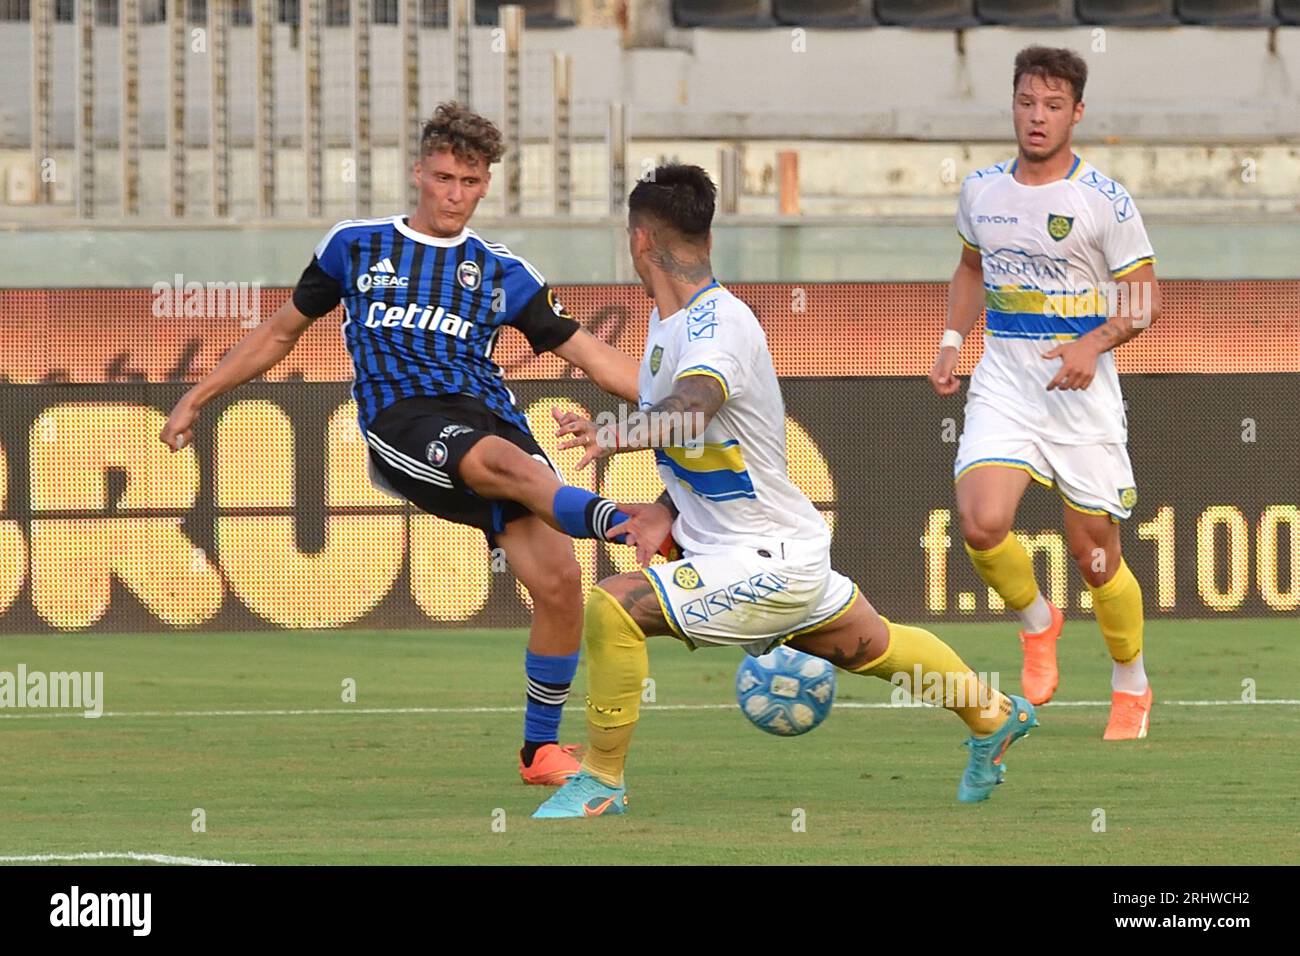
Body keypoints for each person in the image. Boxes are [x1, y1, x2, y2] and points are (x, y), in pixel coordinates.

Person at [533, 164, 1038, 819]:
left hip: (763, 560)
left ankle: (600, 782)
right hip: (773, 547)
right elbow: (709, 440)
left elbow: (692, 411)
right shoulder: (670, 327)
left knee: (613, 607)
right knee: (873, 646)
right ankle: (993, 715)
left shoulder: (718, 326)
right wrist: (666, 509)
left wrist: (613, 434)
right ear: (706, 239)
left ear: (637, 243)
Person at [160, 103, 641, 785]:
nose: (454, 195)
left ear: (485, 184)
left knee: (562, 584)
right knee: (503, 464)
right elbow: (279, 334)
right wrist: (196, 398)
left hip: (490, 414)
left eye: (469, 183)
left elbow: (594, 356)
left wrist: (681, 404)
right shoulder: (354, 246)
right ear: (418, 171)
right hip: (403, 420)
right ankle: (623, 523)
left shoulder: (504, 272)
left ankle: (539, 752)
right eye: (443, 177)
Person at [930, 47, 1161, 739]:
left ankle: (1131, 681)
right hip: (1006, 382)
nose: (1038, 117)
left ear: (1077, 113)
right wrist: (951, 341)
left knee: (1096, 557)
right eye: (1028, 102)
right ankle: (1038, 623)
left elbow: (1145, 300)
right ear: (1014, 105)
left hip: (1080, 395)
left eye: (1053, 106)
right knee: (979, 522)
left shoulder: (1104, 200)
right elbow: (970, 270)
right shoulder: (980, 190)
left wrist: (1094, 344)